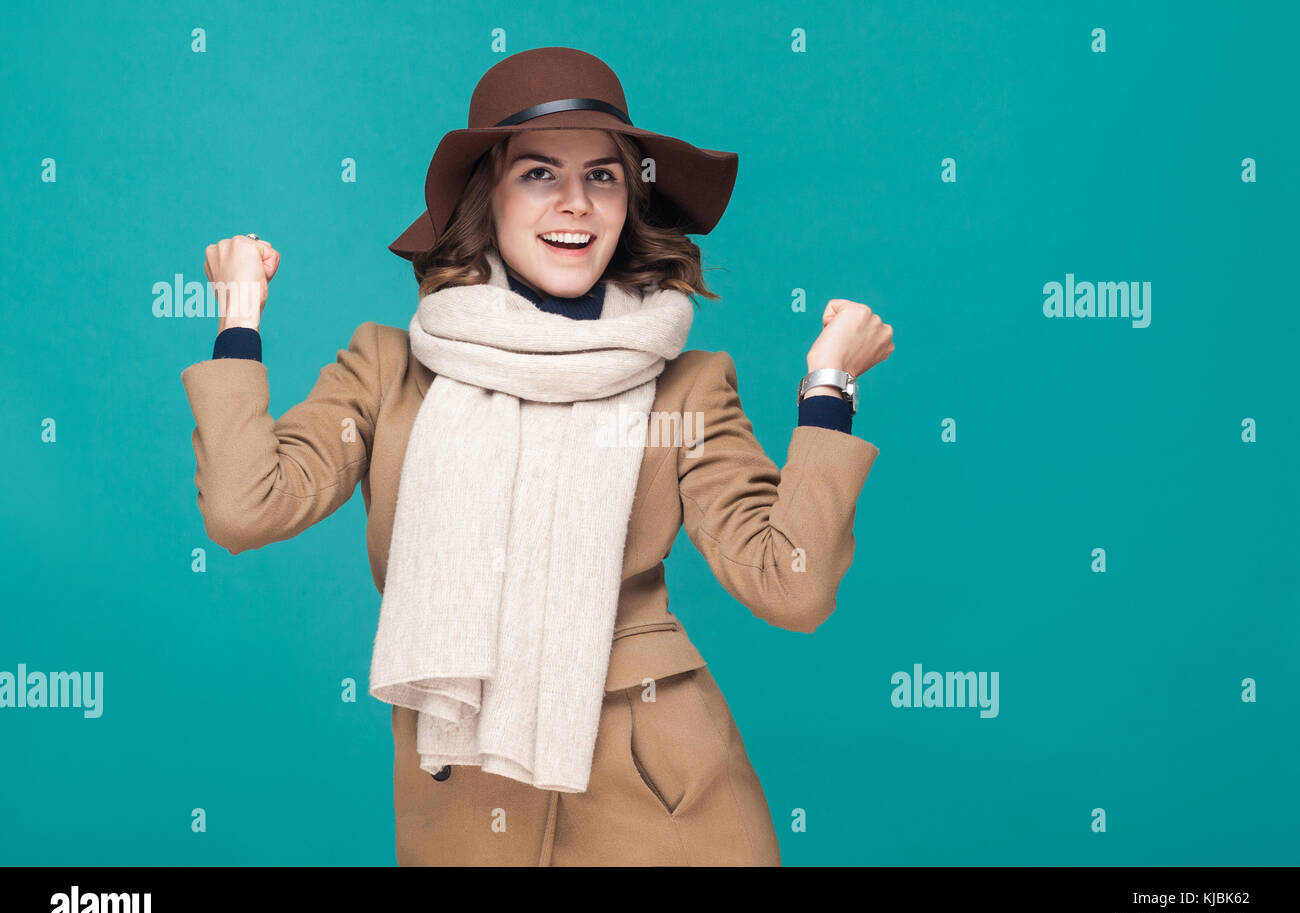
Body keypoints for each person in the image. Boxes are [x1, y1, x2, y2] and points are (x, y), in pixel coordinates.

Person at [182, 47, 892, 866]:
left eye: (604, 176)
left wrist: (828, 385)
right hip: (463, 795)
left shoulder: (687, 386)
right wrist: (240, 313)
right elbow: (244, 507)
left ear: (632, 199)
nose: (575, 204)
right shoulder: (389, 368)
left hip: (660, 797)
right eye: (538, 174)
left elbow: (792, 584)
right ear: (490, 193)